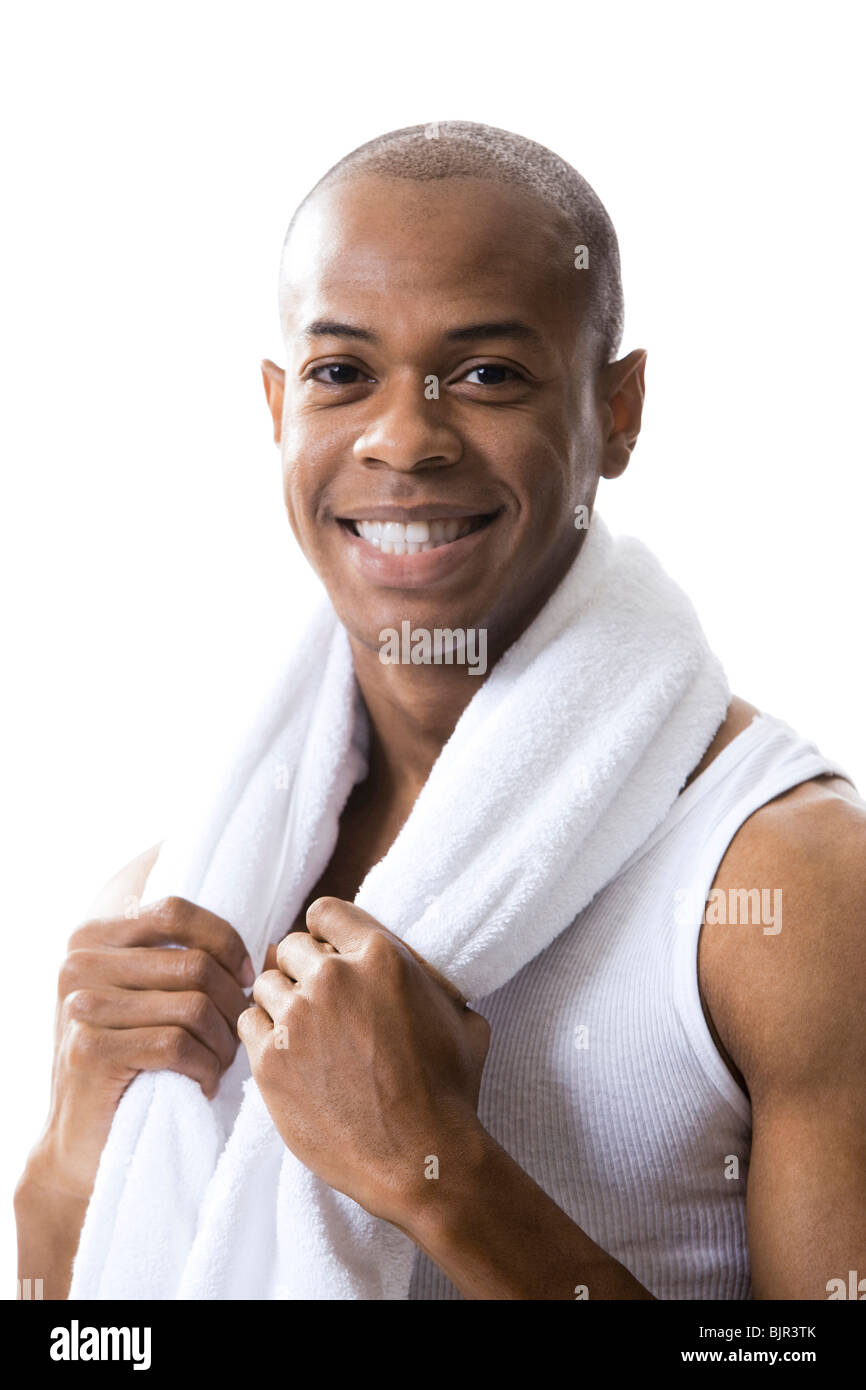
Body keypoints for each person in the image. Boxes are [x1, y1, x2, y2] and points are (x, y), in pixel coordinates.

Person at [15, 122, 866, 1300]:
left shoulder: (786, 887)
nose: (402, 439)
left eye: (485, 374)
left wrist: (441, 1172)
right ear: (277, 409)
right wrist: (66, 1160)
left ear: (617, 412)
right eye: (340, 373)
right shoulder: (173, 896)